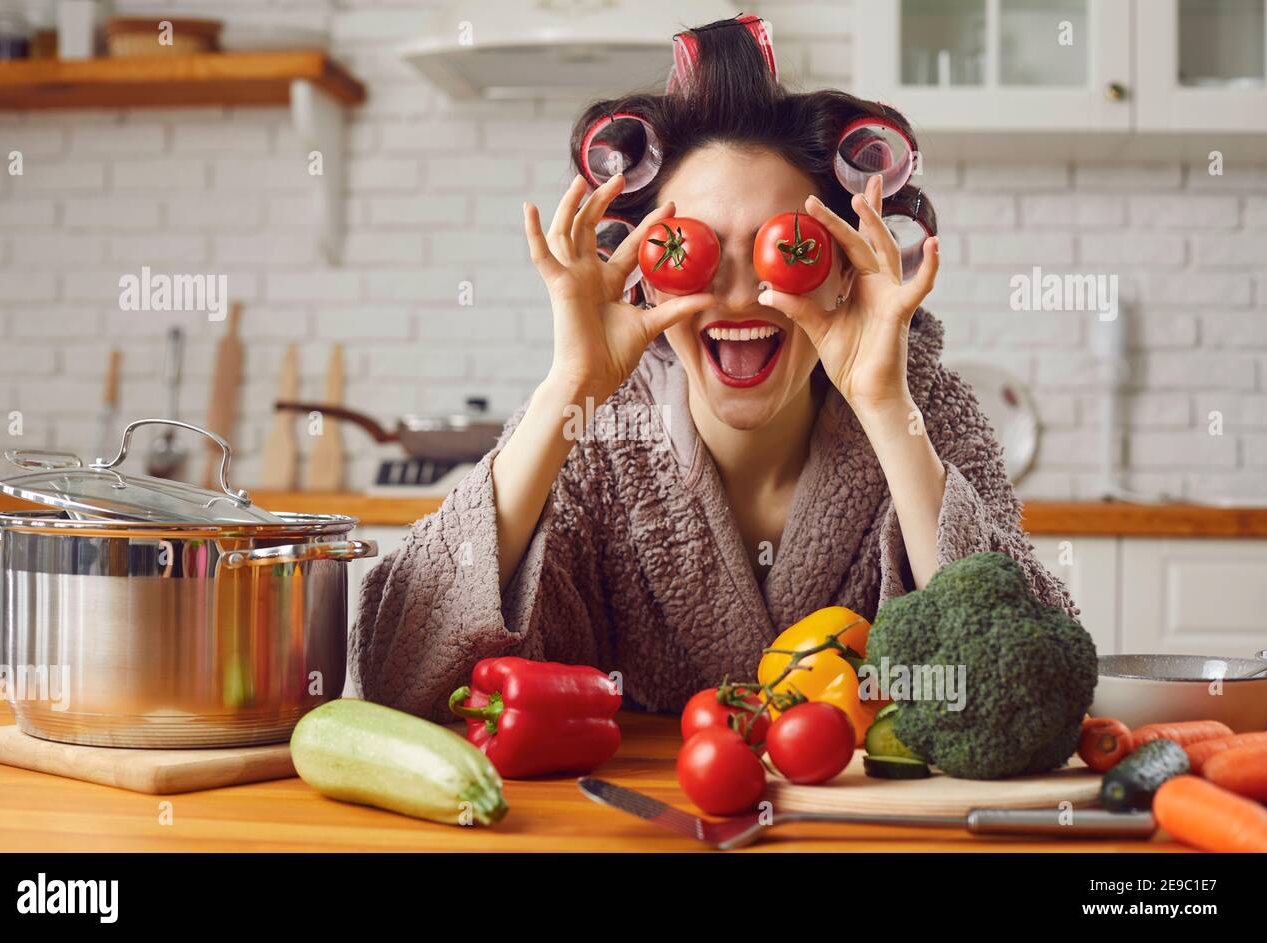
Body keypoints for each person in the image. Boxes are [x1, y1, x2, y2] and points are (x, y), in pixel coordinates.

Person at [353, 16, 1074, 722]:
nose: (737, 294)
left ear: (846, 274)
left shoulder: (927, 411)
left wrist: (887, 410)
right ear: (645, 276)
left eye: (787, 249)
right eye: (689, 249)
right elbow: (397, 672)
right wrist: (567, 387)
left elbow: (1030, 686)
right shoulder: (596, 430)